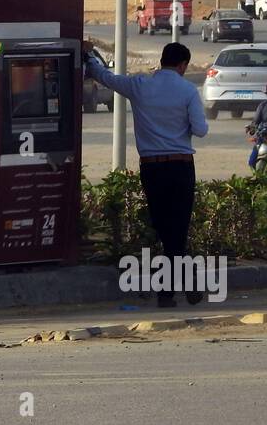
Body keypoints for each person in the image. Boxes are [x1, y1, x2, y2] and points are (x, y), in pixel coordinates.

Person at [86, 41, 208, 307]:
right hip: (181, 165)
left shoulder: (140, 85)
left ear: (161, 61)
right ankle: (177, 283)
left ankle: (169, 291)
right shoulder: (187, 90)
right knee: (178, 228)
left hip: (152, 167)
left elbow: (106, 77)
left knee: (164, 227)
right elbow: (200, 130)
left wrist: (88, 57)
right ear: (183, 65)